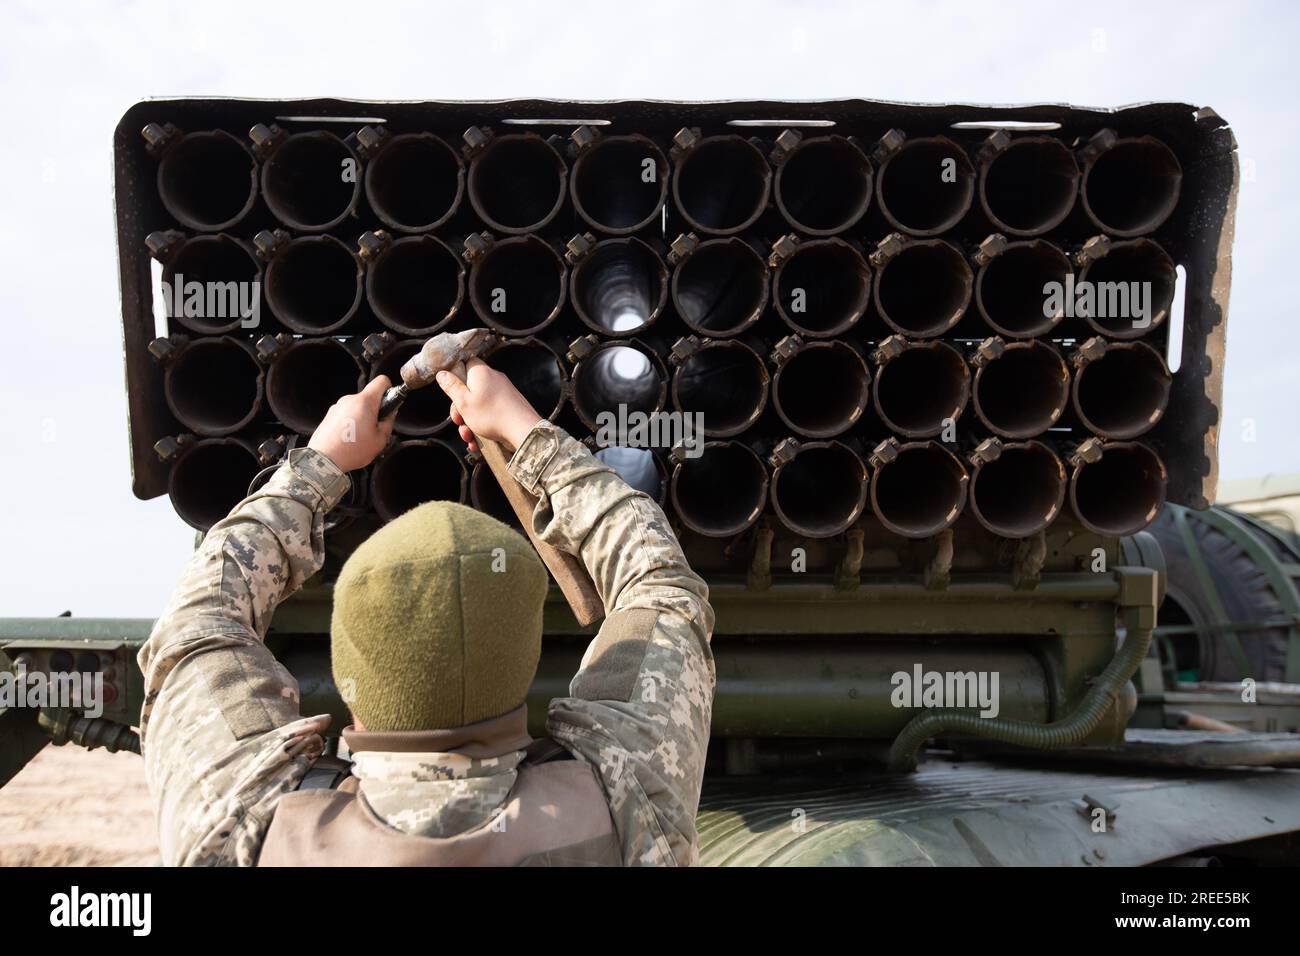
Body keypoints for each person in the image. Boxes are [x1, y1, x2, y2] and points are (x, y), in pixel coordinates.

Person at [137, 359, 716, 866]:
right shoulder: (622, 801)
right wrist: (527, 433)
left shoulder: (244, 825)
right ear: (526, 657)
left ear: (350, 673)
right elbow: (660, 586)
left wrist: (320, 462)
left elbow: (198, 626)